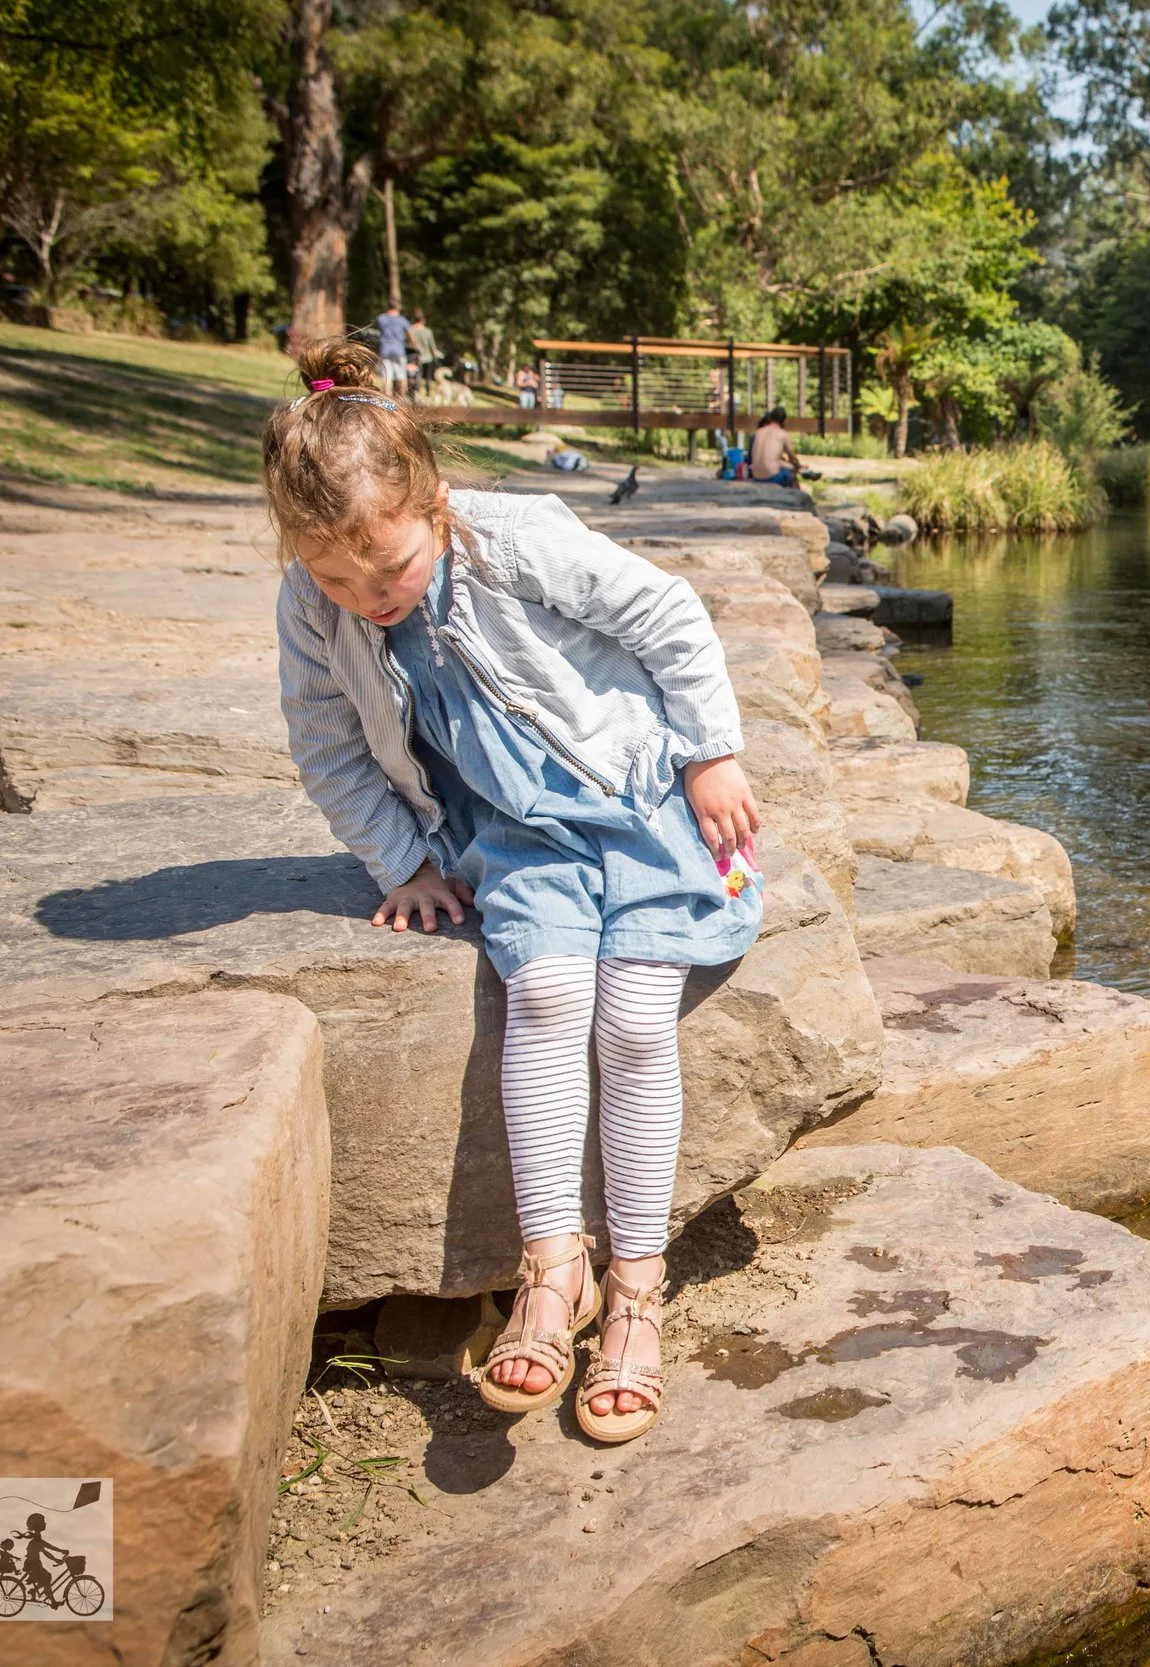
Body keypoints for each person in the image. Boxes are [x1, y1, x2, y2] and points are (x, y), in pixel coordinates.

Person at [265, 338, 762, 1444]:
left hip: (639, 806)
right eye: (335, 576)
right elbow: (328, 746)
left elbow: (668, 616)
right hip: (512, 831)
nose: (366, 596)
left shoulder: (518, 537)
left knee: (633, 1021)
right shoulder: (314, 602)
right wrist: (403, 860)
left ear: (435, 505)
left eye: (386, 569)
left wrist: (710, 752)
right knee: (543, 998)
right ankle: (554, 1266)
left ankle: (638, 1282)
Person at [746, 407, 801, 486]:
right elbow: (792, 457)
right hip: (772, 478)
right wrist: (798, 466)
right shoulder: (782, 434)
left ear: (770, 418)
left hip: (756, 477)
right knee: (791, 475)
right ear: (784, 421)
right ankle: (795, 497)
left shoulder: (758, 432)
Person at [373, 303, 411, 397]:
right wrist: (412, 342)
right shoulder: (402, 320)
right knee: (402, 375)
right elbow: (410, 334)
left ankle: (388, 397)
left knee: (387, 376)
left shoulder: (381, 318)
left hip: (385, 349)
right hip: (399, 351)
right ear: (398, 308)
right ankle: (402, 398)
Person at [408, 311, 441, 397]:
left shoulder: (411, 329)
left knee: (416, 377)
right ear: (423, 320)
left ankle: (415, 393)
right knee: (428, 378)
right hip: (428, 358)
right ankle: (427, 394)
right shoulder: (428, 331)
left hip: (416, 357)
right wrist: (435, 358)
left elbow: (409, 343)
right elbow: (432, 346)